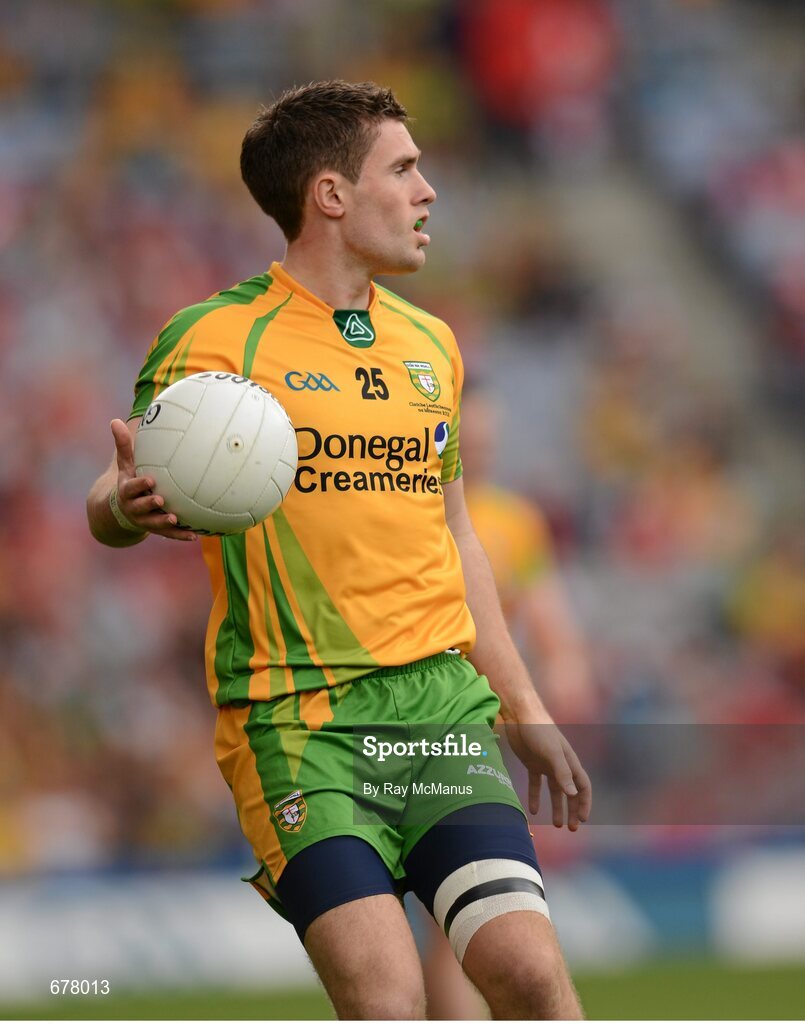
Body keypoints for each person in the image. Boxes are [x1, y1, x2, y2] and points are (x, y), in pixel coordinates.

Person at [86, 80, 591, 1020]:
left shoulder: (430, 345)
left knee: (527, 975)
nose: (427, 189)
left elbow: (456, 531)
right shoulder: (213, 340)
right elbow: (110, 493)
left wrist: (522, 704)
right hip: (296, 722)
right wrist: (125, 505)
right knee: (388, 999)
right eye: (403, 168)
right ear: (330, 195)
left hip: (437, 705)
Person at [413, 381, 598, 1019]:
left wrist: (565, 673)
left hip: (499, 722)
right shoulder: (413, 514)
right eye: (475, 433)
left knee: (484, 908)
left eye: (490, 435)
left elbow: (549, 617)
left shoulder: (516, 522)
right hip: (435, 719)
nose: (484, 445)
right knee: (458, 911)